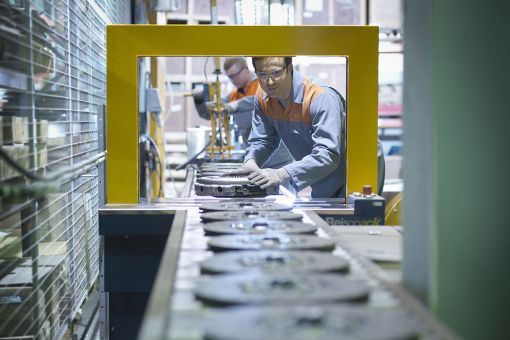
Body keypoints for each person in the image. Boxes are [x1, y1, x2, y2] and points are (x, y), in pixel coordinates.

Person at [237, 56, 385, 198]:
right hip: (323, 174)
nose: (269, 82)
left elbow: (327, 154)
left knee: (355, 217)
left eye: (276, 73)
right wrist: (251, 160)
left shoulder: (320, 97)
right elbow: (262, 140)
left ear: (289, 69)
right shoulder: (263, 99)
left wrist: (280, 174)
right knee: (326, 216)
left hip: (358, 167)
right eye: (262, 74)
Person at [192, 57, 293, 168]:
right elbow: (212, 112)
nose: (234, 80)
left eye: (236, 75)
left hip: (278, 158)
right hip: (256, 158)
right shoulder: (234, 95)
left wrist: (235, 105)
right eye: (230, 77)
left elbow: (258, 99)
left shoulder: (265, 84)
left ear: (246, 69)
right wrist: (199, 101)